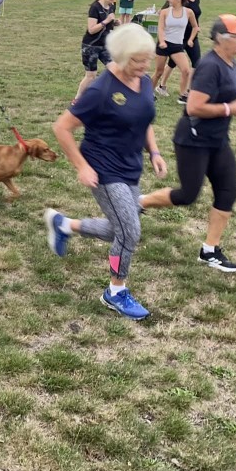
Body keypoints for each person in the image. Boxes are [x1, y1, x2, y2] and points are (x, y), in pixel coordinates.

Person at [44, 24, 166, 320]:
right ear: (121, 56)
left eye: (147, 59)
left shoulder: (143, 81)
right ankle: (115, 291)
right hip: (103, 169)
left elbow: (144, 119)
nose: (145, 66)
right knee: (130, 231)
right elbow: (61, 128)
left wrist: (154, 151)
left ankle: (64, 225)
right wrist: (82, 166)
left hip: (130, 166)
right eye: (137, 60)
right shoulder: (101, 89)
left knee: (119, 229)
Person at [140, 15, 236, 274]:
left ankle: (209, 251)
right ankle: (140, 202)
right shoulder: (210, 66)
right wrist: (231, 108)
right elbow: (194, 107)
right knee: (187, 195)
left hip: (217, 139)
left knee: (227, 192)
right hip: (193, 140)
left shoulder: (230, 62)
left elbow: (225, 98)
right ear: (221, 38)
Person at [150, 0, 198, 104]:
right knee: (159, 72)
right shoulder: (165, 12)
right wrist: (162, 41)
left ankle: (183, 95)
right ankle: (148, 93)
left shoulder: (188, 12)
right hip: (164, 44)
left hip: (177, 46)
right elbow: (160, 28)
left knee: (186, 70)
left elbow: (195, 27)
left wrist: (191, 39)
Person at [75, 0, 120, 101]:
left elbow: (108, 24)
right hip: (91, 46)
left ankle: (106, 95)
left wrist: (114, 22)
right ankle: (77, 100)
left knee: (115, 69)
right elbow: (91, 29)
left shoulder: (111, 6)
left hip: (105, 45)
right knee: (91, 76)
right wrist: (107, 21)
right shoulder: (95, 7)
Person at [158, 0, 203, 94]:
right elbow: (163, 12)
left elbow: (195, 18)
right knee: (172, 63)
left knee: (196, 62)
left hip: (192, 37)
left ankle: (190, 90)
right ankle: (162, 85)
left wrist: (196, 28)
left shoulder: (196, 1)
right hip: (178, 38)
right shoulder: (178, 0)